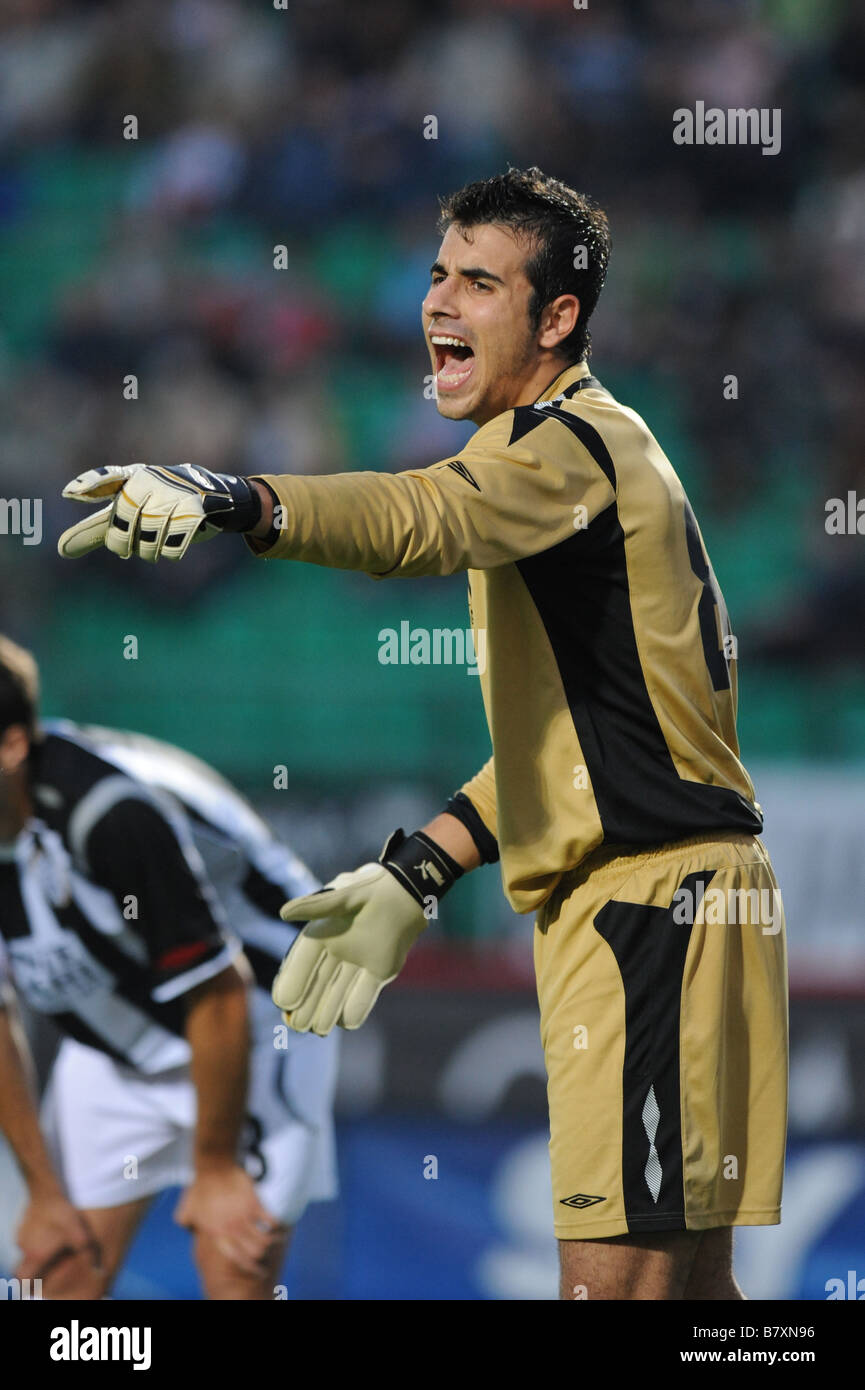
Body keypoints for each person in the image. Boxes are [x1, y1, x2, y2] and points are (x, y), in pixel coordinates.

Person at [57, 167, 788, 1301]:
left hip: (648, 913)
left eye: (480, 283)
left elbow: (418, 517)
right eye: (438, 274)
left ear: (557, 319)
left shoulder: (558, 449)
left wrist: (237, 497)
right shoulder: (588, 457)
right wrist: (420, 866)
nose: (438, 302)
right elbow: (586, 749)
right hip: (672, 901)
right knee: (699, 1307)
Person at [0, 635, 338, 1300]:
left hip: (258, 1024)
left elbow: (220, 992)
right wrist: (40, 1191)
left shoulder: (110, 812)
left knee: (235, 1272)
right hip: (115, 1037)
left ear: (11, 747)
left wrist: (213, 1168)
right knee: (56, 1277)